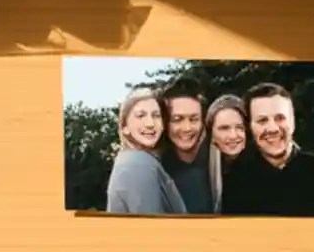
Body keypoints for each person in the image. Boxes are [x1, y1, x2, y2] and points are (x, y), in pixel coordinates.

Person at [220, 83, 314, 218]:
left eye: (280, 118)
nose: (273, 129)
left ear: (293, 121)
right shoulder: (237, 180)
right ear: (249, 127)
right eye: (262, 120)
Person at [105, 87, 188, 215]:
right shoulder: (139, 163)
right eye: (140, 116)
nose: (150, 123)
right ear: (125, 127)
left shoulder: (129, 160)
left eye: (156, 115)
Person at [157, 82, 213, 213]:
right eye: (177, 119)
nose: (187, 128)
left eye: (193, 119)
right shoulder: (157, 168)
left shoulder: (219, 161)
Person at [205, 94, 247, 213]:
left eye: (239, 127)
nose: (233, 135)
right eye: (224, 128)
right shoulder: (204, 172)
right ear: (211, 134)